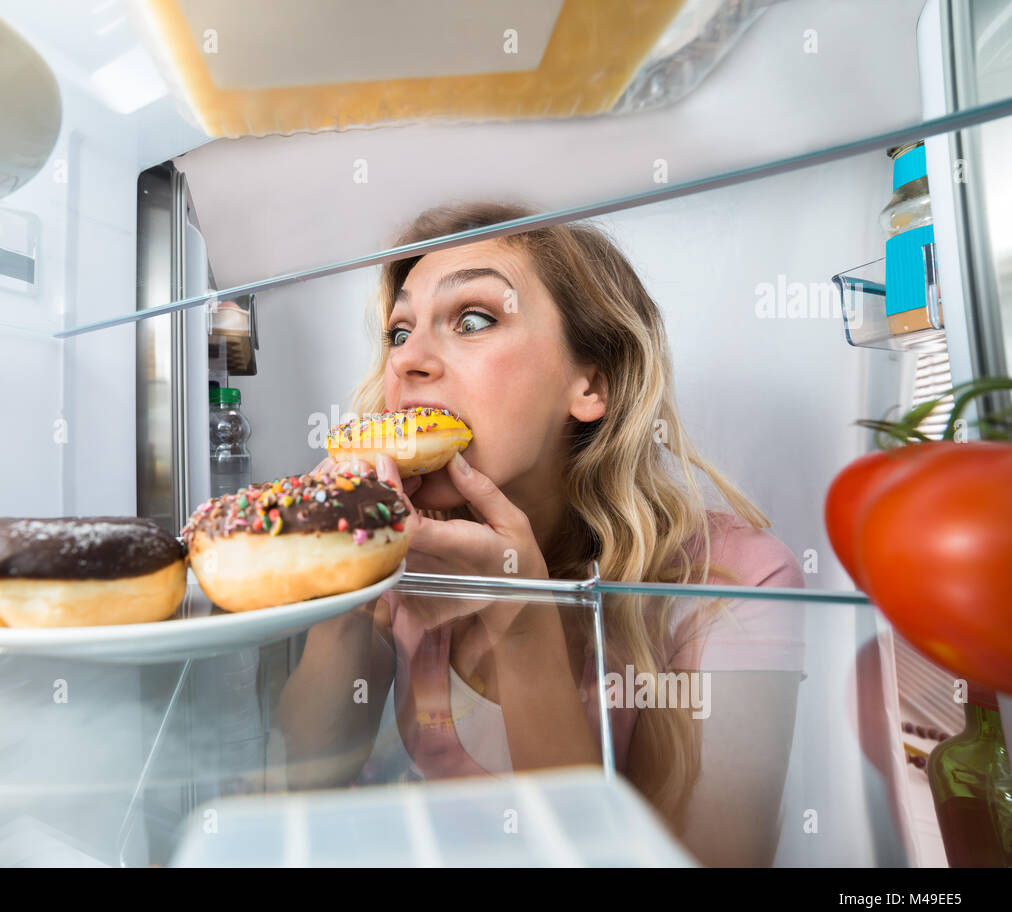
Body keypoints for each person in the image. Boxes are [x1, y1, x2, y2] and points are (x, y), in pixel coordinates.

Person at [277, 201, 806, 866]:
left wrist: (522, 620)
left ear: (591, 383)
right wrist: (343, 580)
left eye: (474, 319)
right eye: (398, 330)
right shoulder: (412, 547)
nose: (408, 360)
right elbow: (305, 774)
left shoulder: (741, 581)